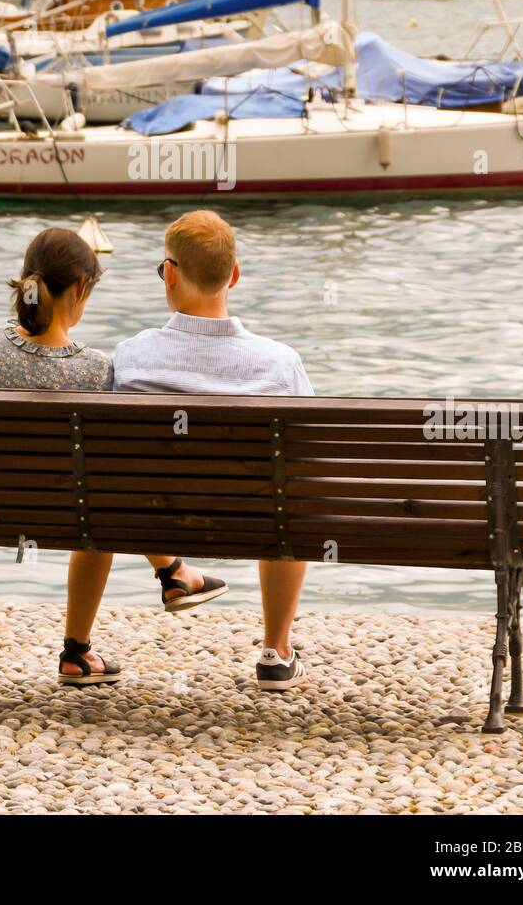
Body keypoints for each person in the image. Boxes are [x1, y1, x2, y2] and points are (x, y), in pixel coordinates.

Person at [0, 226, 226, 688]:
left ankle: (172, 572)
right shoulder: (97, 368)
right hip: (76, 516)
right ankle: (93, 636)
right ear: (81, 288)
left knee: (96, 490)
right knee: (100, 494)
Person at [113, 210, 314, 690]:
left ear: (171, 275)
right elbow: (308, 459)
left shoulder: (131, 356)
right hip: (260, 519)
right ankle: (276, 649)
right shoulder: (281, 365)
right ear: (235, 276)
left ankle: (168, 571)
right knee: (290, 496)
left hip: (149, 517)